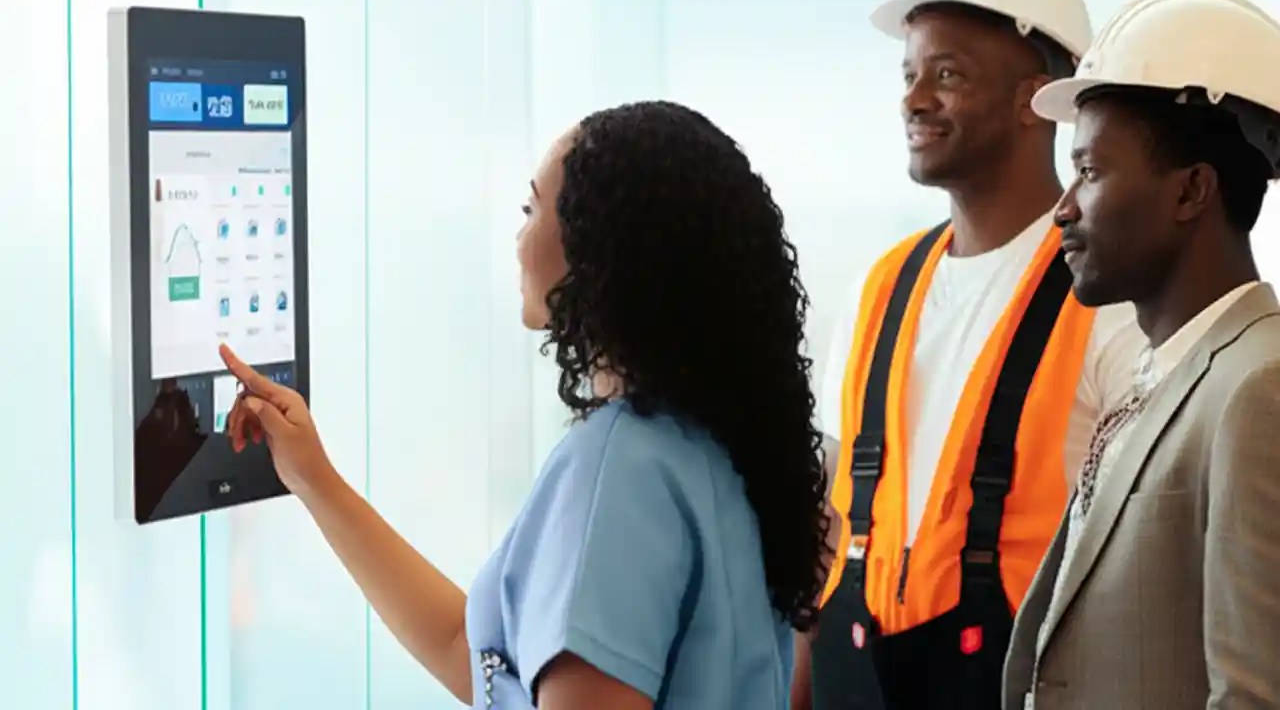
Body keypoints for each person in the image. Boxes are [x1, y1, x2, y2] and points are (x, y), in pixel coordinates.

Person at [218, 100, 831, 710]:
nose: (518, 239)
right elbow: (471, 652)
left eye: (532, 208)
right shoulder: (713, 446)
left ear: (601, 246)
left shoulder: (620, 472)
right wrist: (314, 479)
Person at [793, 0, 1147, 709]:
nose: (914, 101)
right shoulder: (881, 287)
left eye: (947, 75)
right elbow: (833, 528)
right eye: (907, 76)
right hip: (854, 671)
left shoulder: (1107, 299)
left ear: (1034, 100)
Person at [1005, 0, 1280, 707]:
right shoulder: (1163, 373)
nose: (1063, 208)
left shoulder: (1260, 386)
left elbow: (1256, 693)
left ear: (1192, 191)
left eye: (1090, 173)